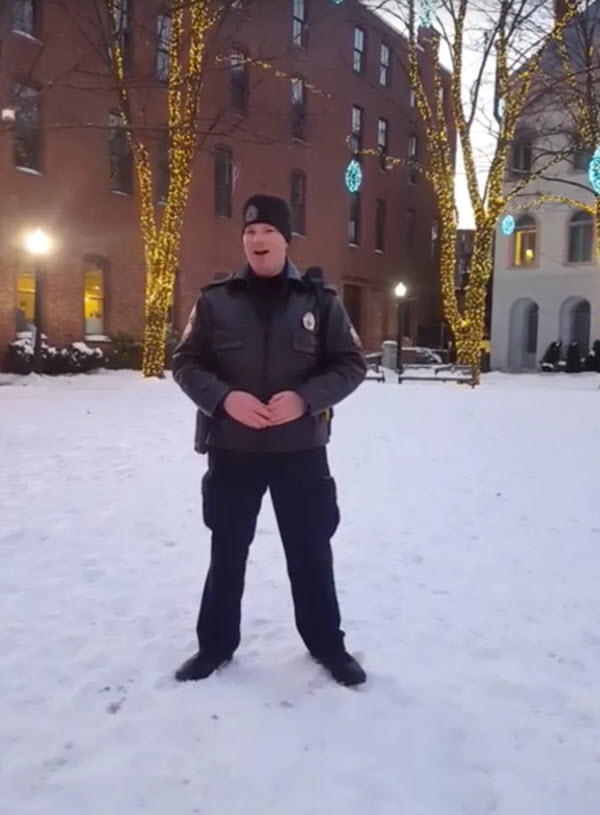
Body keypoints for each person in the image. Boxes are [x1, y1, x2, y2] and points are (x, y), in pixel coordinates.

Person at [172, 194, 367, 687]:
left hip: (300, 451)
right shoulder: (214, 301)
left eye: (268, 232)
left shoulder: (321, 303)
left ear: (286, 239)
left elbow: (350, 364)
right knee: (228, 549)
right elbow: (186, 362)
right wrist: (223, 399)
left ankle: (328, 645)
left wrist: (304, 399)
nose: (258, 241)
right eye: (250, 233)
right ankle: (214, 646)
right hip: (232, 449)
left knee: (310, 550)